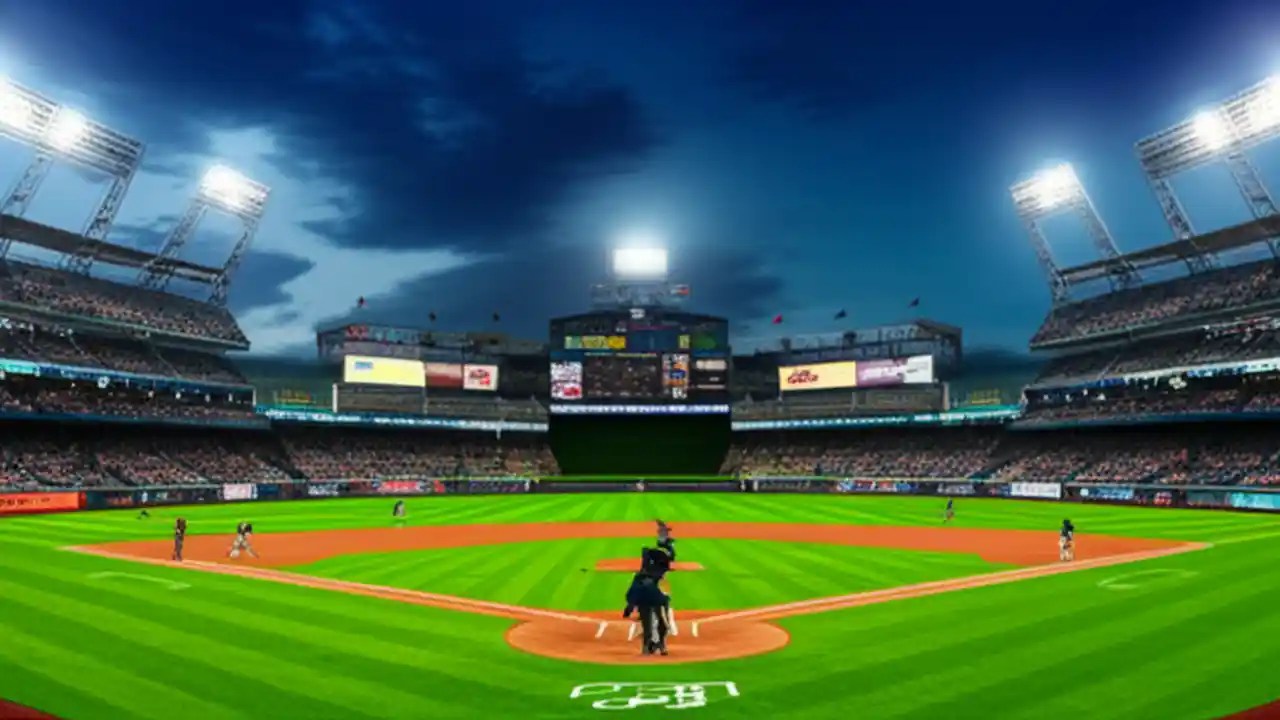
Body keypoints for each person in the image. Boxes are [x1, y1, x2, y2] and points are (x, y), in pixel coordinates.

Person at [623, 566, 670, 656]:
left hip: (656, 600)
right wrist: (630, 607)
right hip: (645, 601)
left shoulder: (658, 577)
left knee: (662, 623)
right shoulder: (639, 579)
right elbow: (634, 593)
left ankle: (661, 644)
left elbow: (664, 593)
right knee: (647, 625)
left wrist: (630, 607)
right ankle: (647, 645)